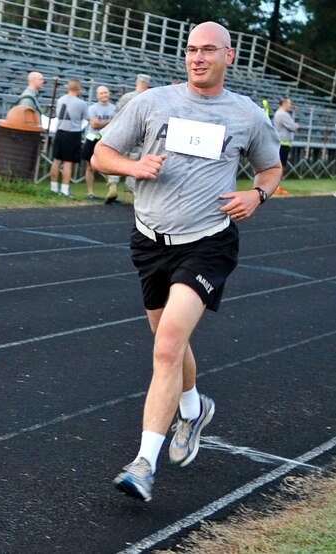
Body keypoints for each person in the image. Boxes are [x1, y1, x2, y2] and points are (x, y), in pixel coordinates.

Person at [91, 21, 282, 502]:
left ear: (229, 56)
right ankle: (193, 410)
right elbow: (101, 154)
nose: (198, 57)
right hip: (150, 239)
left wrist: (257, 194)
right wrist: (133, 167)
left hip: (208, 241)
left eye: (209, 50)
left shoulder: (246, 115)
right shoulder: (152, 102)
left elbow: (272, 167)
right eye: (192, 50)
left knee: (168, 343)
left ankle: (142, 465)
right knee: (168, 343)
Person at [114, 74, 152, 203]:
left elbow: (116, 116)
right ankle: (128, 194)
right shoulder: (150, 99)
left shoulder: (126, 97)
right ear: (147, 84)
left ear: (136, 82)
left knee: (116, 159)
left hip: (122, 134)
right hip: (140, 137)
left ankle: (112, 186)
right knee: (134, 162)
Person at [81, 85, 120, 201]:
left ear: (109, 94)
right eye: (101, 93)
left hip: (107, 139)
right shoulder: (92, 108)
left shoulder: (114, 108)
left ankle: (111, 192)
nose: (104, 95)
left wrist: (102, 122)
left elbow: (116, 123)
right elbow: (94, 124)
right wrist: (110, 122)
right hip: (93, 138)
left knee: (109, 166)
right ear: (97, 95)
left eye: (106, 92)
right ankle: (90, 193)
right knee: (90, 166)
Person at [49, 78, 88, 197]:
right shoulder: (81, 103)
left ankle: (53, 187)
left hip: (60, 131)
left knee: (56, 161)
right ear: (79, 88)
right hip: (72, 132)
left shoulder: (61, 100)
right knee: (68, 162)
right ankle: (65, 189)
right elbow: (85, 118)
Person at [272, 97, 299, 194]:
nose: (290, 105)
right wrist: (295, 126)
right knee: (281, 166)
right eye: (289, 103)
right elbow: (292, 127)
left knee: (280, 165)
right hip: (283, 142)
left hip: (281, 141)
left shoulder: (279, 113)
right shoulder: (283, 114)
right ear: (284, 103)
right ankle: (276, 187)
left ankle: (276, 186)